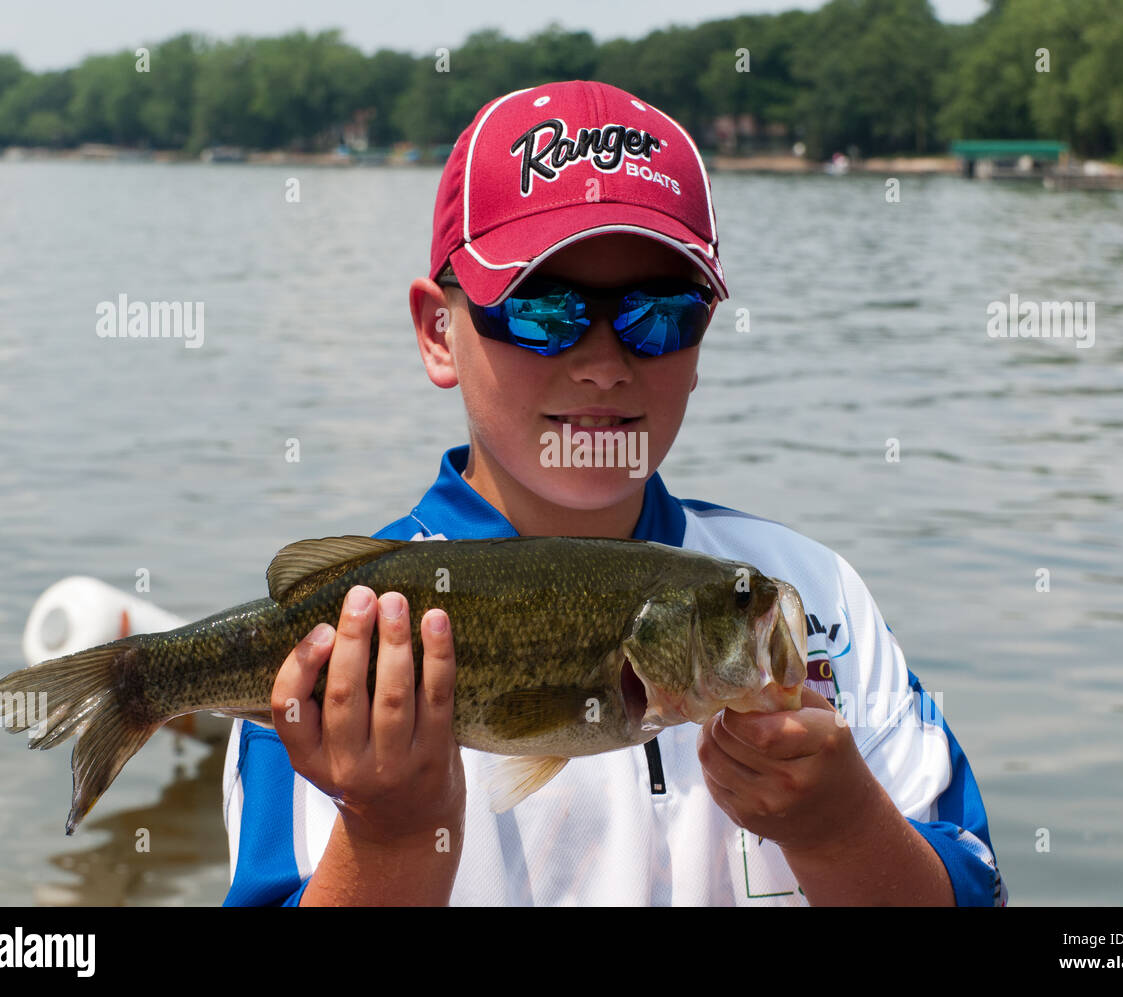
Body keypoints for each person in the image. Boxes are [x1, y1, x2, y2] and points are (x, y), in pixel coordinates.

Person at [222, 80, 1005, 906]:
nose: (602, 361)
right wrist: (393, 839)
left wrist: (843, 829)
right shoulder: (335, 643)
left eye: (659, 314)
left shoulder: (817, 593)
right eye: (541, 310)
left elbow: (976, 886)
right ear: (437, 330)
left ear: (703, 338)